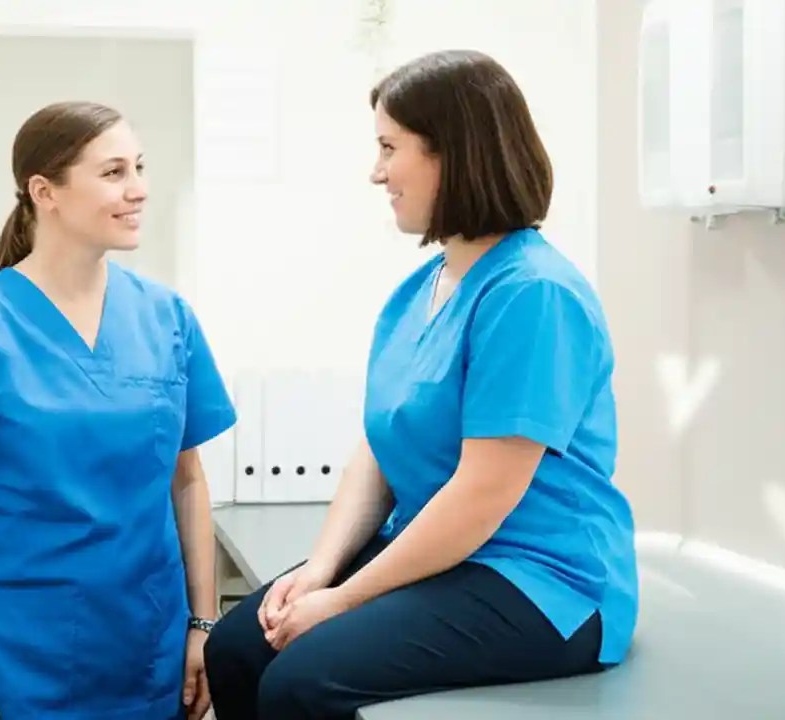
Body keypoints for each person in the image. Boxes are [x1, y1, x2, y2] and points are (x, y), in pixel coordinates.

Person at [203, 49, 639, 719]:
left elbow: (481, 495)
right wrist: (319, 569)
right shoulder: (419, 292)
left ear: (453, 155)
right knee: (236, 647)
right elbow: (379, 448)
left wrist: (342, 601)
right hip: (444, 559)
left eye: (389, 148)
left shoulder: (534, 295)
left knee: (301, 681)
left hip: (539, 582)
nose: (376, 171)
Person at [0, 101, 236, 720]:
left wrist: (203, 624)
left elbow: (188, 478)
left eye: (140, 167)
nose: (139, 189)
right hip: (15, 657)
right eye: (114, 172)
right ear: (45, 191)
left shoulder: (167, 317)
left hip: (146, 647)